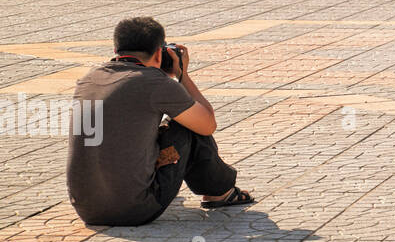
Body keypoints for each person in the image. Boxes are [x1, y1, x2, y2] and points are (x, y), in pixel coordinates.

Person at [66, 16, 254, 226]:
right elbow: (207, 123)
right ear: (158, 52)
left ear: (116, 49)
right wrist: (182, 75)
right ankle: (220, 192)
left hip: (87, 209)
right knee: (185, 126)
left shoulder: (89, 78)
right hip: (136, 210)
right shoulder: (156, 83)